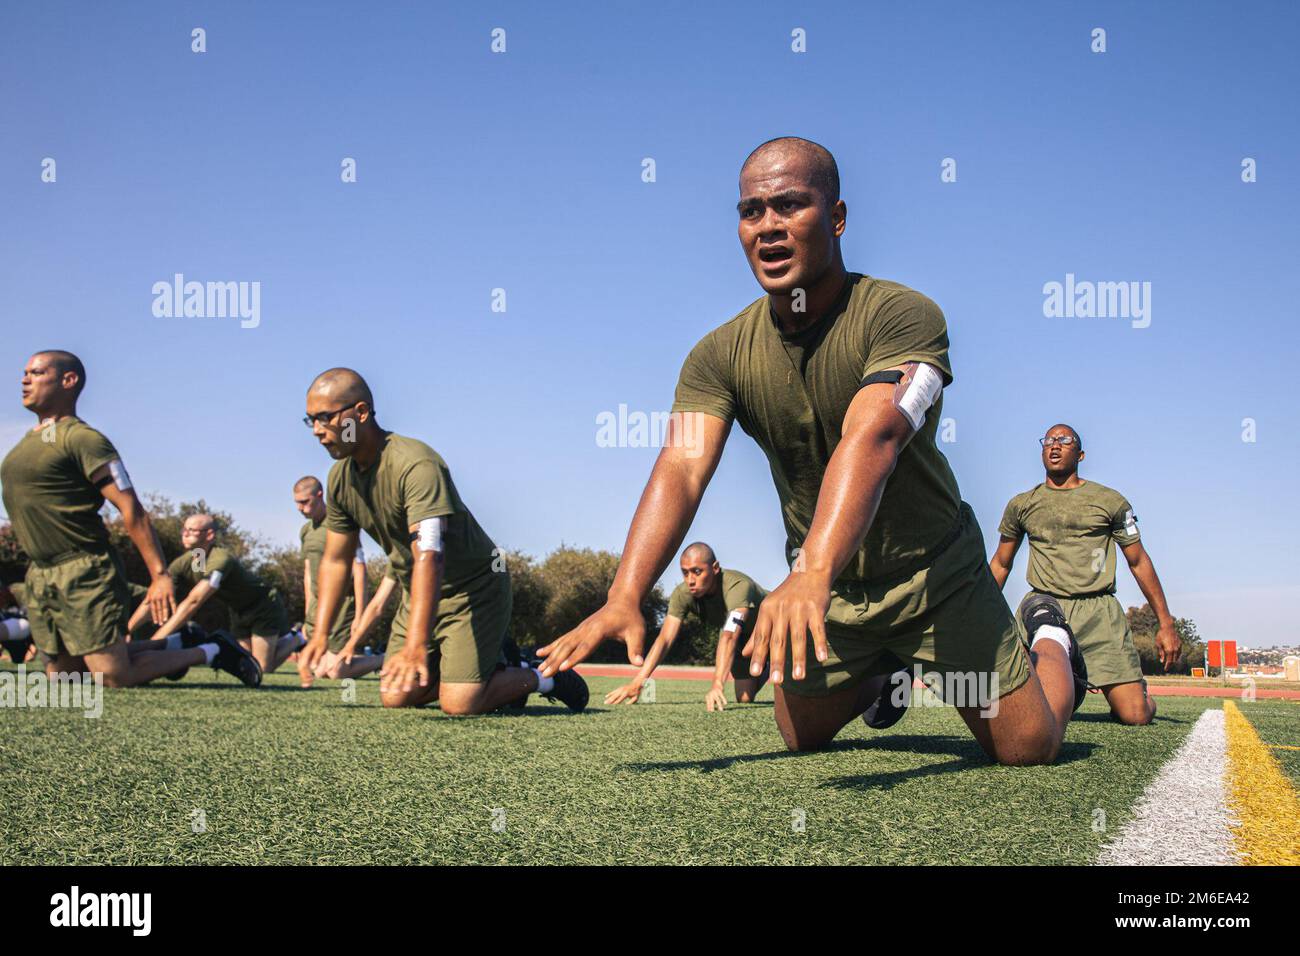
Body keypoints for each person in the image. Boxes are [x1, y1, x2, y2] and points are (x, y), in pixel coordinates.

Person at [540, 138, 1086, 764]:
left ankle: (1049, 637)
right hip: (833, 591)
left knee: (1029, 747)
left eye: (790, 206)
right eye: (751, 212)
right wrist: (623, 595)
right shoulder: (717, 355)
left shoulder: (903, 315)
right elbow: (684, 466)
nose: (768, 227)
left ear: (837, 217)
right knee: (799, 736)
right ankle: (890, 673)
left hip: (932, 575)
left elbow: (874, 435)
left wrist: (812, 572)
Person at [298, 367, 588, 714]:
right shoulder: (340, 479)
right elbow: (335, 561)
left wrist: (417, 644)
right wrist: (320, 634)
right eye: (310, 420)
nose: (317, 430)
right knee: (396, 696)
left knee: (459, 703)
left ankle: (542, 676)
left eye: (325, 418)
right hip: (418, 592)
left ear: (360, 412)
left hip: (473, 589)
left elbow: (430, 555)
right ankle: (489, 670)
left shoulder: (416, 464)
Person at [0, 351, 258, 686]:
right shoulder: (25, 443)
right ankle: (177, 643)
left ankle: (211, 651)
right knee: (65, 679)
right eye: (25, 373)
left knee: (112, 676)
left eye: (36, 372)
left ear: (69, 380)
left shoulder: (82, 439)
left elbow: (131, 509)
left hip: (84, 569)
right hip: (41, 573)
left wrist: (161, 575)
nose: (24, 379)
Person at [990, 423, 1180, 724]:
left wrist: (1166, 623)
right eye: (1049, 440)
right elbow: (1001, 563)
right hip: (1045, 608)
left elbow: (1138, 561)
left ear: (1080, 454)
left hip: (1099, 612)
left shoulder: (1110, 501)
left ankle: (1138, 692)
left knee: (1135, 716)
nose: (1054, 445)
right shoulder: (1021, 505)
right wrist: (979, 615)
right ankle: (1062, 679)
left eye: (1064, 441)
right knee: (1031, 712)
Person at [604, 543, 769, 710]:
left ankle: (773, 659)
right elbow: (665, 639)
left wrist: (717, 685)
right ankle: (764, 667)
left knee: (790, 690)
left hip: (770, 629)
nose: (690, 580)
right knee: (745, 699)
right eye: (685, 572)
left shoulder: (737, 586)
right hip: (741, 640)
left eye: (697, 572)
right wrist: (638, 681)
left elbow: (729, 635)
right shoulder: (683, 594)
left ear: (715, 568)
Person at [130, 513, 300, 676]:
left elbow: (193, 601)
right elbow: (157, 598)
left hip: (262, 606)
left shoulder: (220, 559)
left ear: (209, 535)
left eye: (191, 531)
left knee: (262, 668)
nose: (185, 534)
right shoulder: (189, 561)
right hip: (237, 610)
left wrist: (154, 643)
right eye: (184, 530)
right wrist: (127, 631)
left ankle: (298, 638)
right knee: (247, 662)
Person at [292, 475, 380, 686]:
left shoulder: (340, 524)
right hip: (318, 608)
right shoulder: (306, 531)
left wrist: (360, 615)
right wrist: (308, 612)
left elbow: (359, 569)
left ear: (319, 496)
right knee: (318, 668)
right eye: (297, 503)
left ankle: (386, 659)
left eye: (304, 502)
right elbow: (308, 574)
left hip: (343, 605)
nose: (300, 508)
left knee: (336, 672)